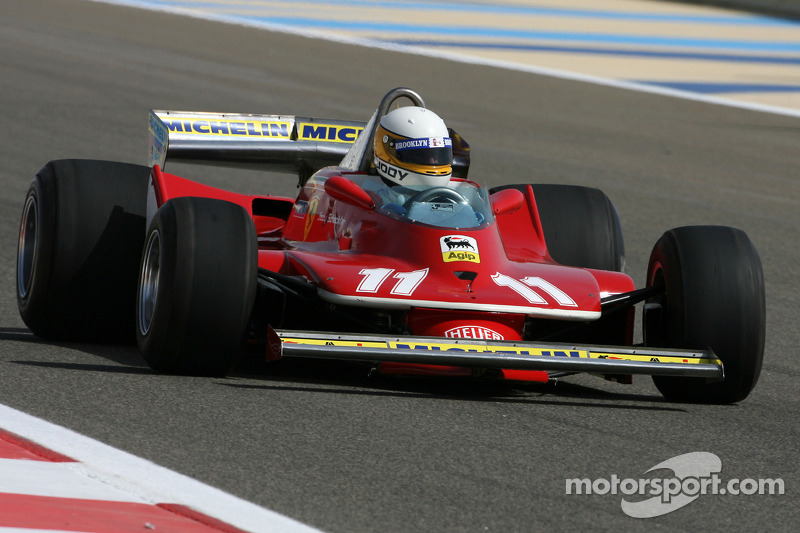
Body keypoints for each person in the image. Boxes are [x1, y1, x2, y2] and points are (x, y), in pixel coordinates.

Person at [372, 106, 453, 187]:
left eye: (437, 156)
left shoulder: (459, 193)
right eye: (420, 155)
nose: (433, 162)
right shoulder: (367, 195)